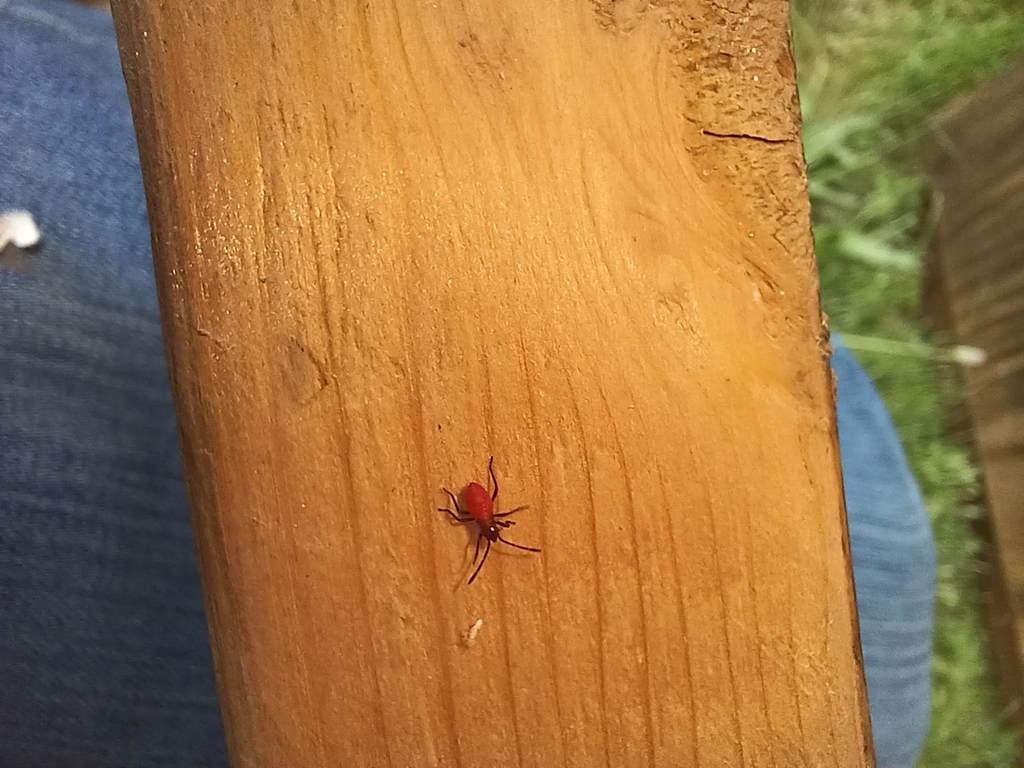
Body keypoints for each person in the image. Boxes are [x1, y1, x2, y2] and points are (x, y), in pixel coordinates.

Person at [0, 2, 936, 766]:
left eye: (488, 523)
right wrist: (470, 501)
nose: (491, 526)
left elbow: (471, 508)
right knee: (877, 549)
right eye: (489, 521)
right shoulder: (486, 517)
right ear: (487, 514)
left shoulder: (480, 515)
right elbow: (474, 508)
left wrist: (468, 502)